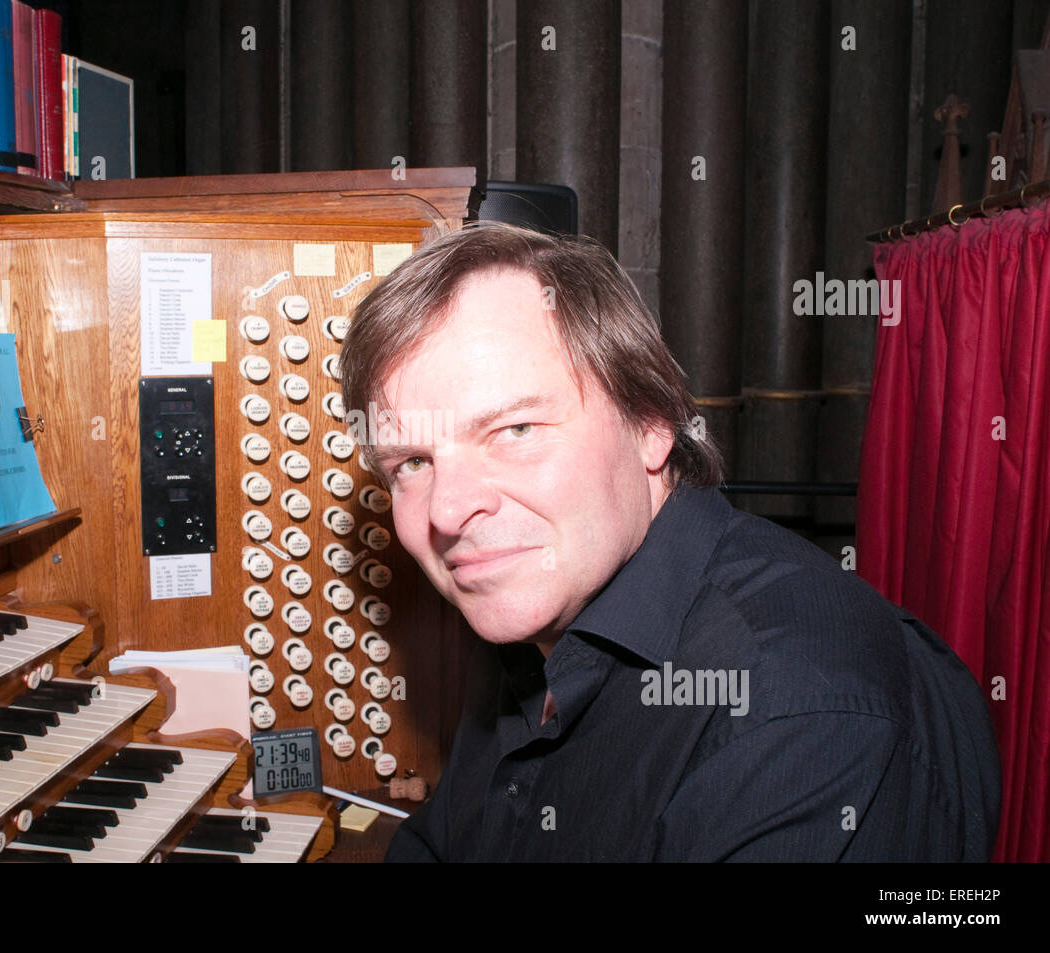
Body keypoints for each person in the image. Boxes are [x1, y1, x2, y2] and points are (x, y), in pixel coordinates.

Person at [339, 221, 1001, 862]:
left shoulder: (797, 710)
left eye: (514, 430)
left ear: (652, 423)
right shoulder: (541, 599)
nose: (449, 510)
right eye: (412, 463)